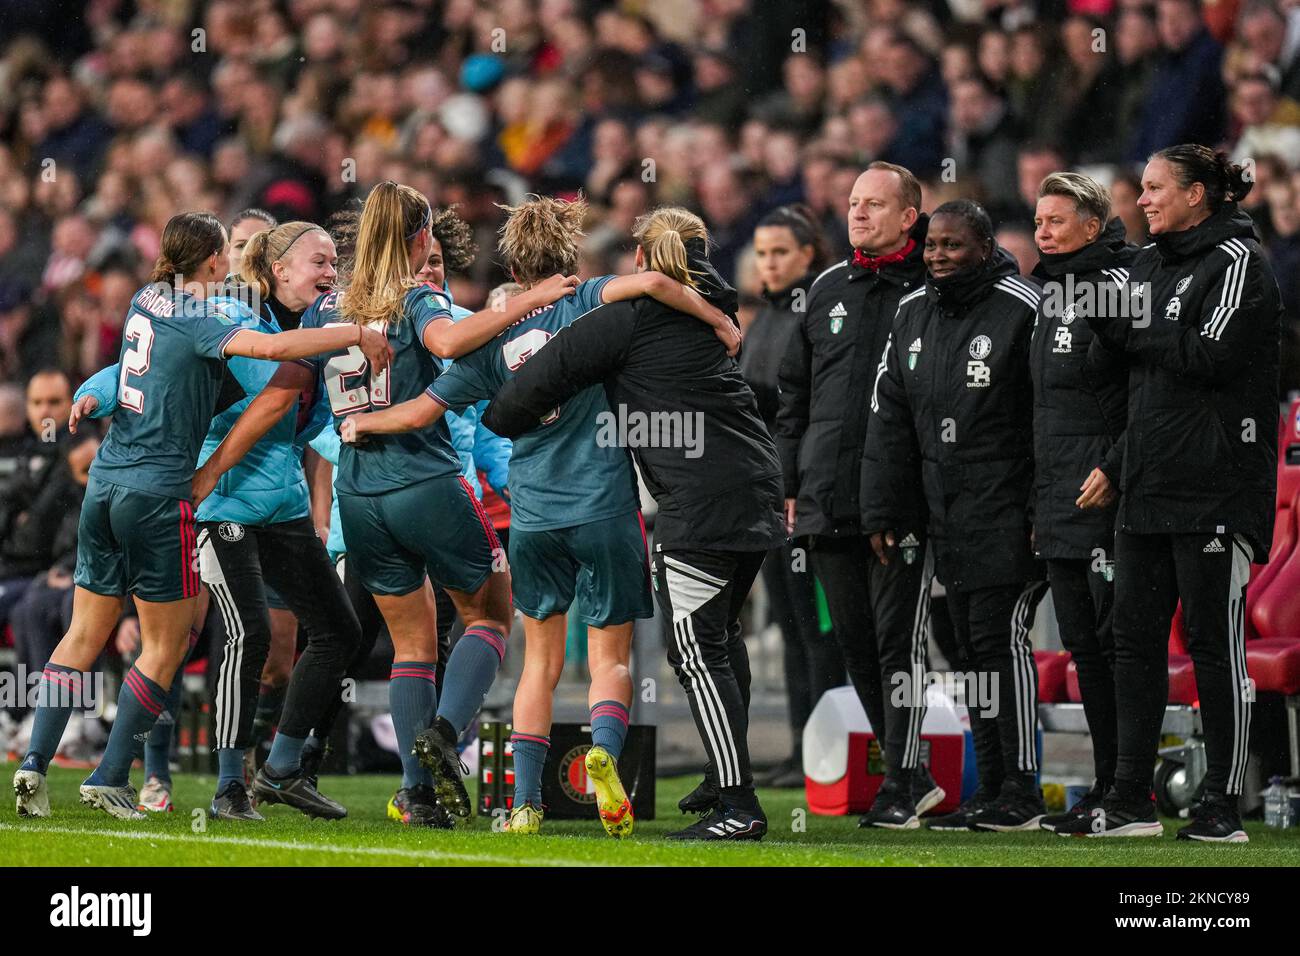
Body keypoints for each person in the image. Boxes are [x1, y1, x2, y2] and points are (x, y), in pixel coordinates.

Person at [341, 194, 736, 838]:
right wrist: (718, 320)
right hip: (606, 504)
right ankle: (603, 751)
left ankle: (524, 804)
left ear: (513, 267)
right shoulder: (592, 301)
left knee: (537, 662)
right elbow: (660, 280)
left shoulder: (491, 343)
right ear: (568, 257)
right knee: (611, 657)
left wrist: (361, 424)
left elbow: (419, 413)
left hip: (532, 513)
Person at [191, 182, 574, 828]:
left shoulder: (326, 310)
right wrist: (530, 301)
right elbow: (450, 343)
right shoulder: (417, 295)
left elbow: (286, 396)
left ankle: (416, 794)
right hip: (424, 478)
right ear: (420, 236)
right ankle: (447, 734)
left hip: (357, 494)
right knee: (490, 615)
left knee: (413, 643)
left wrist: (210, 467)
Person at [13, 210, 392, 820]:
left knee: (126, 634)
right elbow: (271, 364)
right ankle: (156, 777)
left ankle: (41, 765)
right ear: (244, 262)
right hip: (187, 494)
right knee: (184, 641)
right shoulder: (224, 315)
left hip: (139, 484)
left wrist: (95, 390)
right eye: (317, 261)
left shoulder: (151, 296)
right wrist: (353, 335)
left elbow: (149, 359)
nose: (329, 272)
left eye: (332, 263)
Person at [483, 207, 785, 842]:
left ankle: (738, 803)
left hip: (696, 502)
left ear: (644, 261)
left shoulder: (623, 317)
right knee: (723, 639)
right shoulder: (722, 317)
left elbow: (522, 396)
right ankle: (720, 772)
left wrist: (514, 413)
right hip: (755, 483)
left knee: (696, 651)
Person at [1063, 146, 1281, 841]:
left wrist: (1130, 326)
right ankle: (1129, 796)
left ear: (1197, 195)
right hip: (1149, 485)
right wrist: (1101, 316)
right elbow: (1118, 374)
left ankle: (1223, 800)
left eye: (1156, 188)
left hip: (1217, 484)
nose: (1144, 199)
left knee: (1215, 644)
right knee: (1134, 642)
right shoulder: (1148, 265)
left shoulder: (1241, 265)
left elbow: (1209, 356)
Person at [862, 199, 1048, 832]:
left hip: (1007, 503)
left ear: (986, 247)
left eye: (954, 246)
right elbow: (888, 416)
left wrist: (1038, 505)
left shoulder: (1023, 308)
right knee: (967, 649)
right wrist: (883, 504)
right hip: (944, 510)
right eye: (932, 245)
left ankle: (1023, 787)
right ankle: (992, 788)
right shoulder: (911, 312)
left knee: (1000, 643)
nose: (938, 256)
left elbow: (1050, 415)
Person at [777, 163, 941, 829]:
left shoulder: (934, 288)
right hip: (826, 499)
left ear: (910, 215)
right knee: (856, 644)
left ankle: (904, 778)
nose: (859, 214)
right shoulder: (826, 288)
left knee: (896, 642)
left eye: (875, 205)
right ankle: (912, 774)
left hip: (899, 504)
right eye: (853, 203)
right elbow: (797, 396)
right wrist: (791, 484)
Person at [1026, 173, 1135, 831]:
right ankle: (1104, 785)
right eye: (1038, 222)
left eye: (1056, 221)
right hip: (1058, 497)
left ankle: (1131, 787)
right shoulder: (1047, 295)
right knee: (1083, 650)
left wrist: (1116, 467)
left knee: (1116, 642)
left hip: (1106, 498)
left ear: (1093, 225)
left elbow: (1146, 393)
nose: (1043, 233)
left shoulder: (1120, 289)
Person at [743, 205, 844, 788]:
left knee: (820, 630)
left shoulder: (816, 310)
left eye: (780, 251)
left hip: (802, 496)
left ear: (809, 253)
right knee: (793, 623)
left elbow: (801, 410)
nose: (770, 263)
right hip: (770, 496)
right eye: (761, 252)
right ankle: (805, 745)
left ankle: (830, 747)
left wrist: (796, 484)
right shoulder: (767, 316)